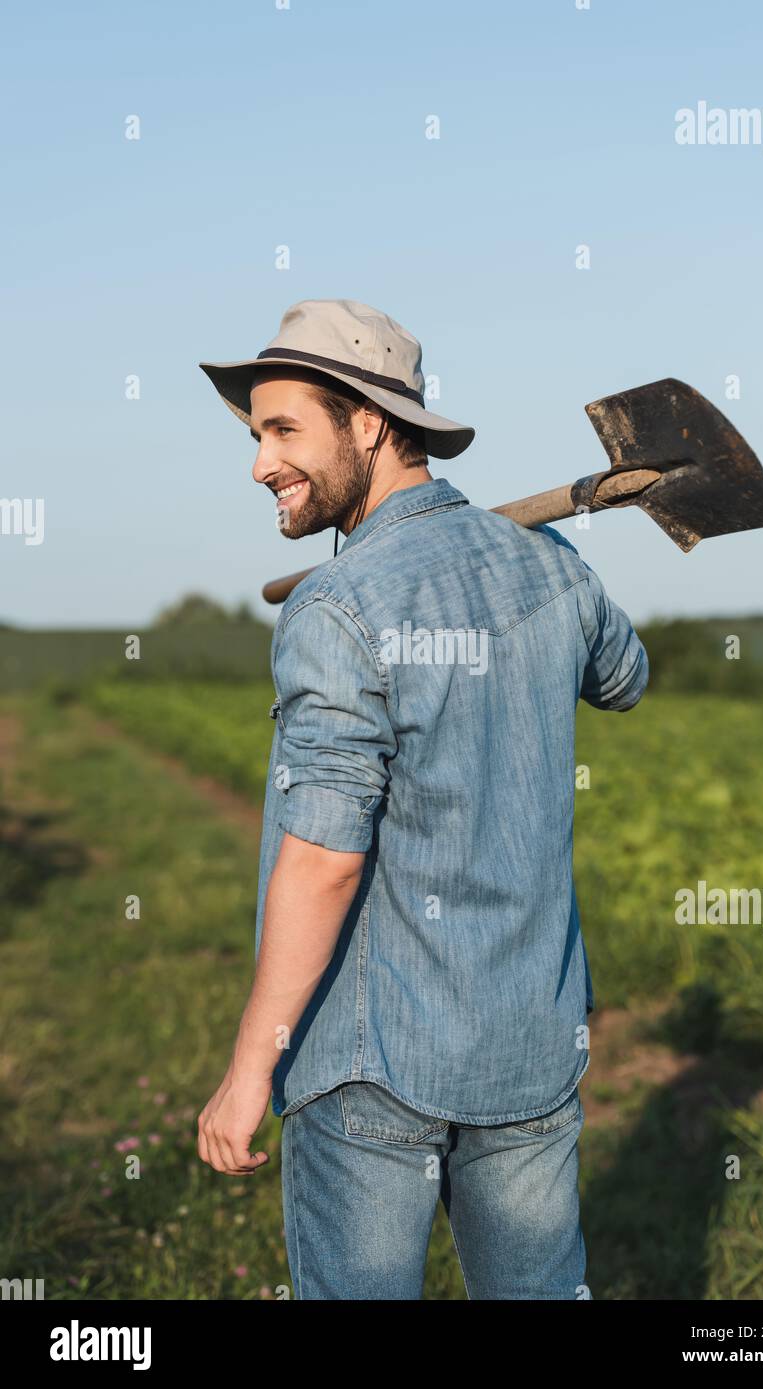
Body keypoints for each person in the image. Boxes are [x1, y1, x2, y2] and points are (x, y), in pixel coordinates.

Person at [196, 298, 649, 1299]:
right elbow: (626, 676)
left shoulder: (337, 605)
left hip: (371, 1060)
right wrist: (536, 571)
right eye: (256, 432)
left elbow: (324, 858)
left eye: (282, 429)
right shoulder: (551, 566)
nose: (260, 462)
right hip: (528, 1038)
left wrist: (247, 1068)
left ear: (368, 421)